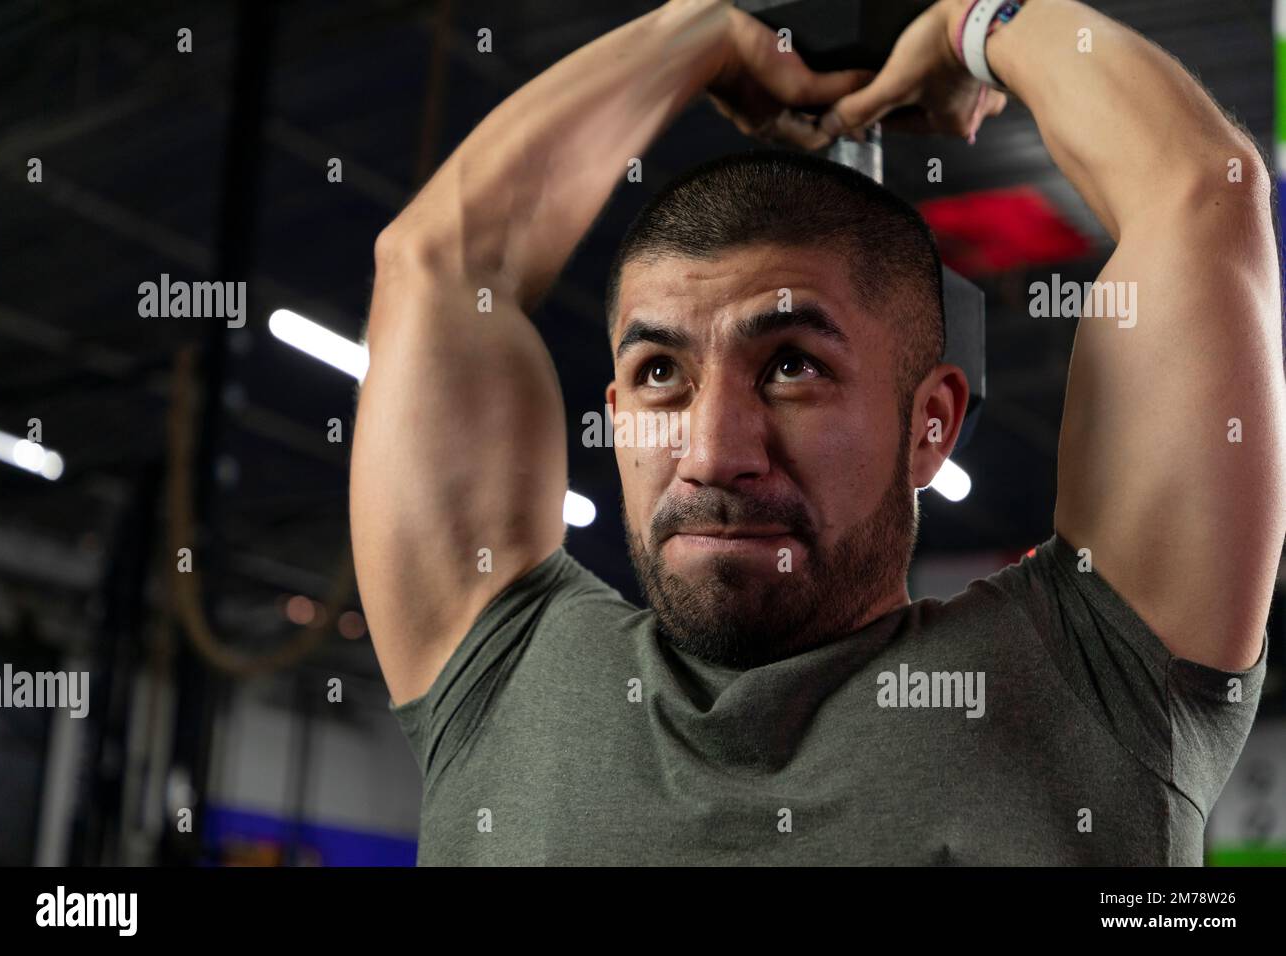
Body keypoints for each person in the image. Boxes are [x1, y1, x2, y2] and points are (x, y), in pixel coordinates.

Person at [351, 0, 1283, 864]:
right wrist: (700, 30)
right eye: (661, 373)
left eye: (793, 367)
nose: (715, 452)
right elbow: (435, 262)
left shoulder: (1096, 682)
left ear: (932, 423)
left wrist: (978, 22)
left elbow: (1204, 189)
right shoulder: (504, 675)